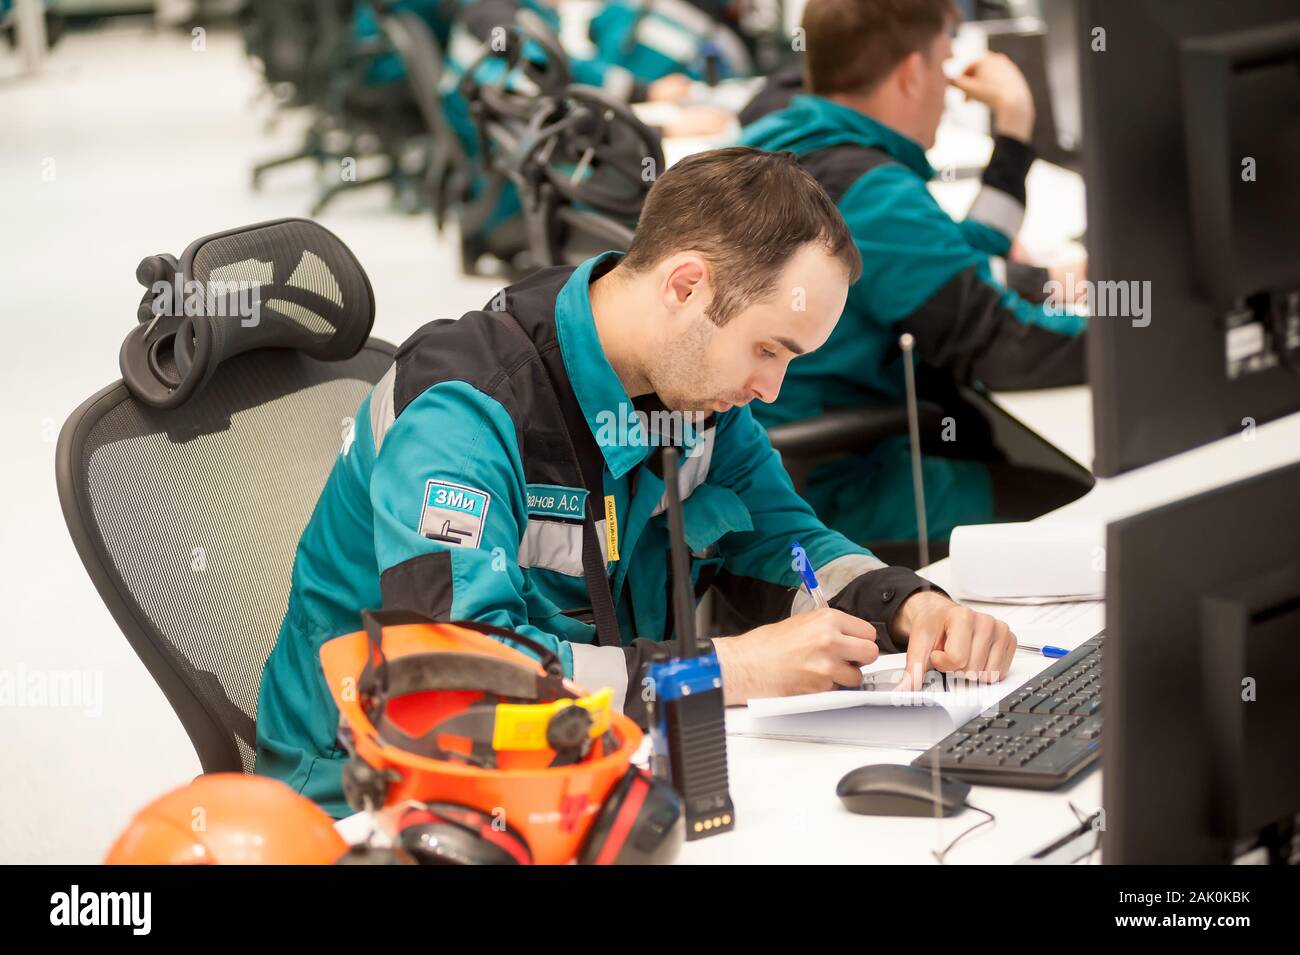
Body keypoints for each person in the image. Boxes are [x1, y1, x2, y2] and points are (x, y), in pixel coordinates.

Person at [255, 147, 1018, 817]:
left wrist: (905, 603)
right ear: (685, 286)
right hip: (380, 800)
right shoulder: (465, 413)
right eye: (767, 348)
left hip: (591, 769)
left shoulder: (687, 397)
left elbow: (785, 542)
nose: (773, 389)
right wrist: (730, 668)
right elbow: (459, 680)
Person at [738, 0, 1088, 553]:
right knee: (1076, 506)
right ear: (911, 73)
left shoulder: (789, 139)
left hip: (761, 467)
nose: (948, 89)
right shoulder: (875, 193)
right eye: (944, 64)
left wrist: (1014, 135)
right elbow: (1007, 347)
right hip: (830, 492)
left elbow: (941, 257)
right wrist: (1151, 333)